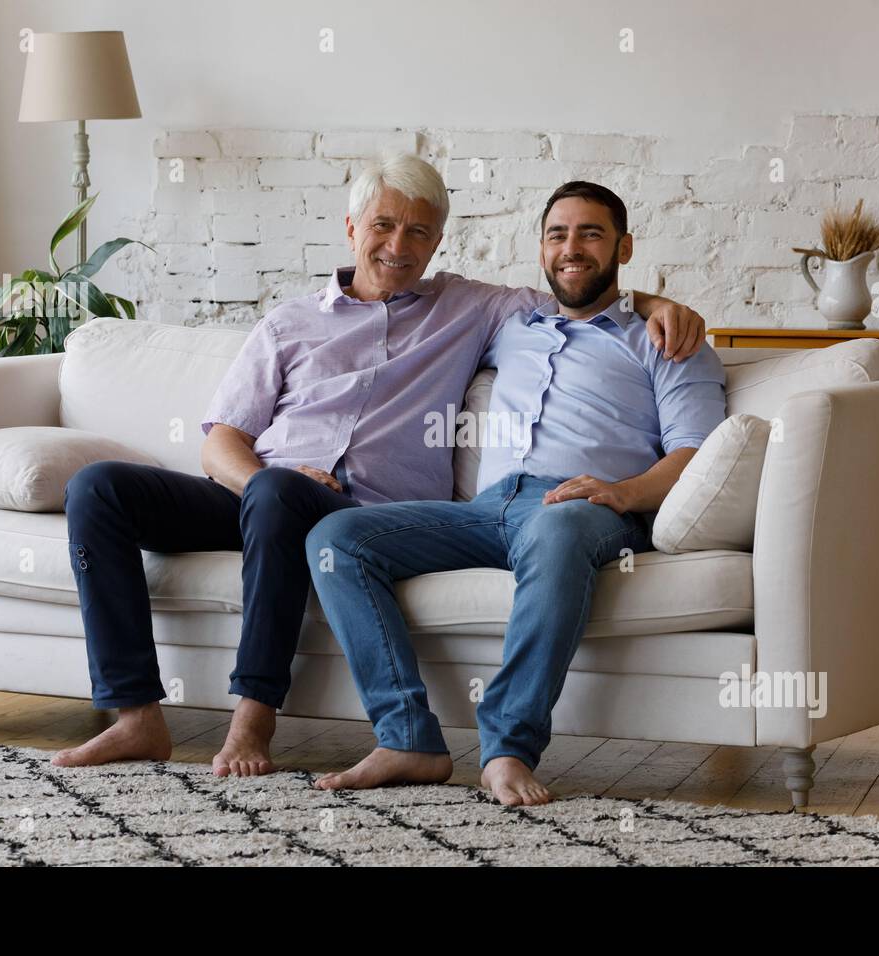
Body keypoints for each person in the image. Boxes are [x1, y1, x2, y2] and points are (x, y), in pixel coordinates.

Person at [52, 157, 708, 774]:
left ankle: (252, 721)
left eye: (419, 231)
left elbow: (584, 291)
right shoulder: (290, 322)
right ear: (351, 229)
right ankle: (136, 713)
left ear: (438, 242)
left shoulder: (472, 309)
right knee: (98, 487)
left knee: (286, 503)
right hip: (259, 489)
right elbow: (220, 441)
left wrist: (660, 305)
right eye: (383, 225)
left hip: (360, 505)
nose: (399, 243)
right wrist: (259, 481)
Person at [306, 180, 727, 805]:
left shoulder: (664, 341)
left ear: (624, 247)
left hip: (587, 508)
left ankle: (506, 750)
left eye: (592, 234)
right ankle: (407, 737)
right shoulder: (510, 324)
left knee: (557, 530)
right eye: (558, 234)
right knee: (336, 537)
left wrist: (624, 491)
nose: (572, 249)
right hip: (487, 508)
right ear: (541, 249)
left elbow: (695, 451)